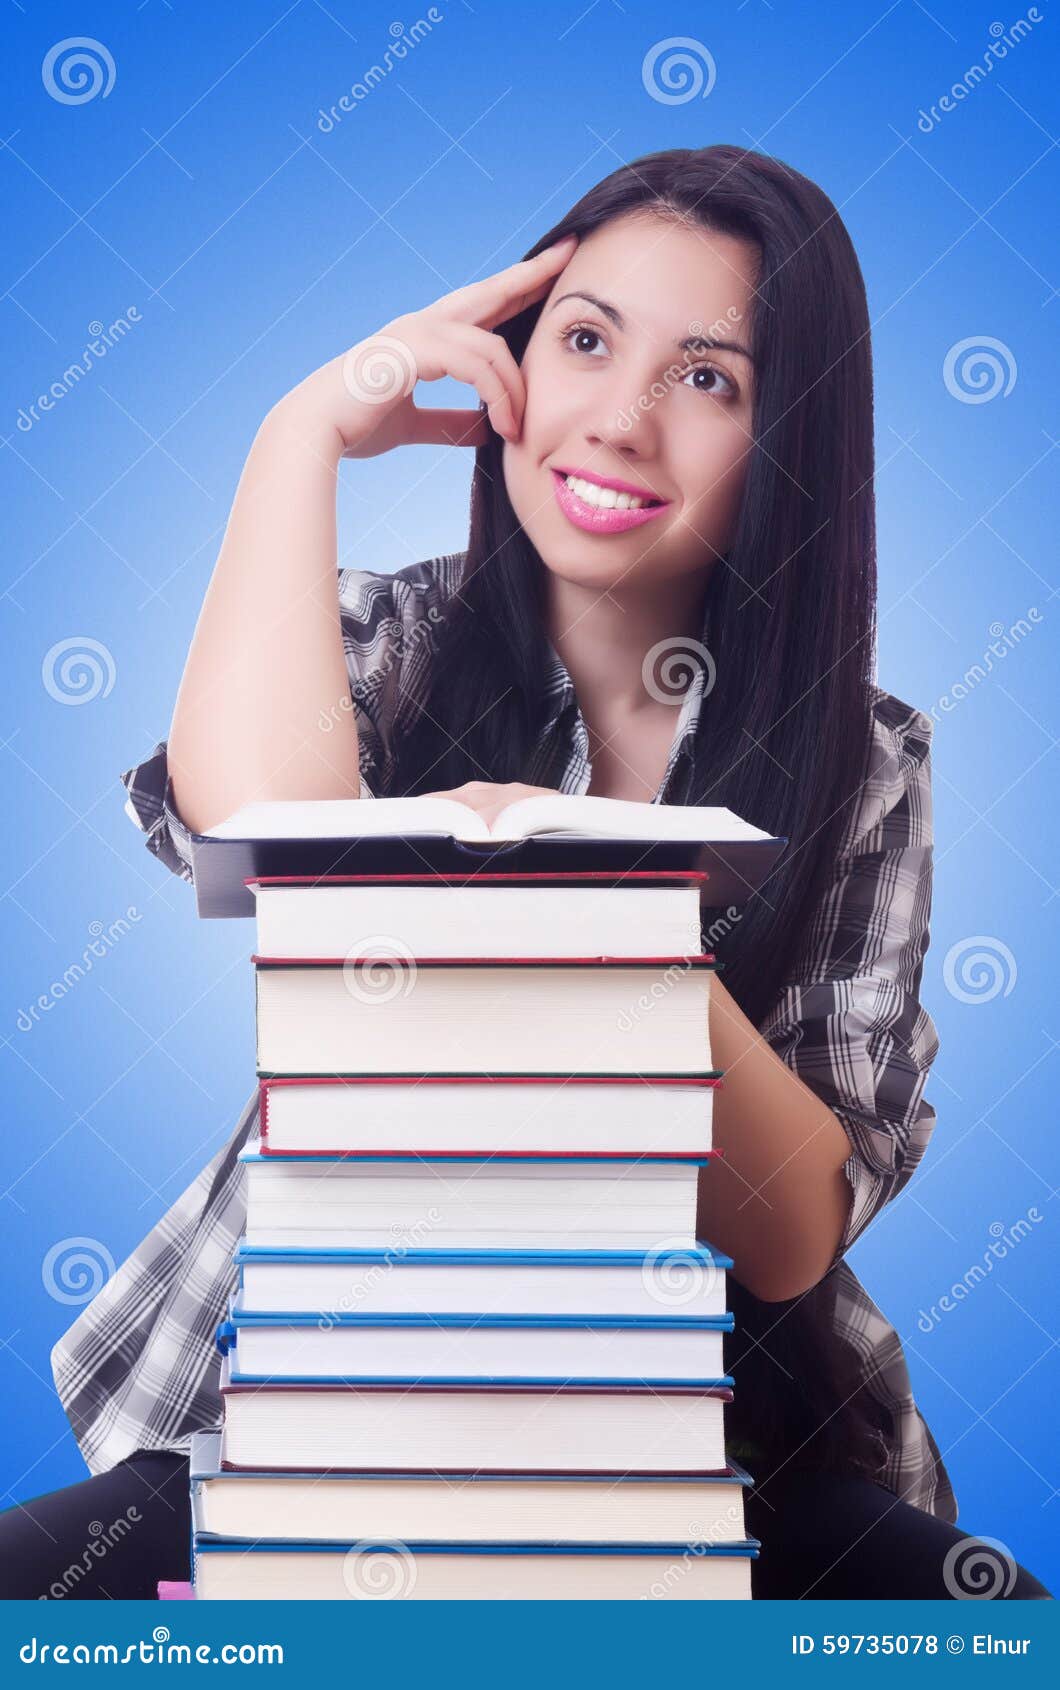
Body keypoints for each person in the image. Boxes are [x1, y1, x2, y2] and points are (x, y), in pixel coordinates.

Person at [1, 145, 1050, 1600]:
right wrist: (298, 432)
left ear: (790, 440)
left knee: (982, 1621)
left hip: (724, 1444)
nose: (618, 422)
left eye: (708, 379)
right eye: (583, 339)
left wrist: (586, 904)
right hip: (306, 1425)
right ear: (511, 362)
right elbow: (249, 817)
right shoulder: (386, 640)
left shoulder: (864, 762)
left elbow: (795, 1226)